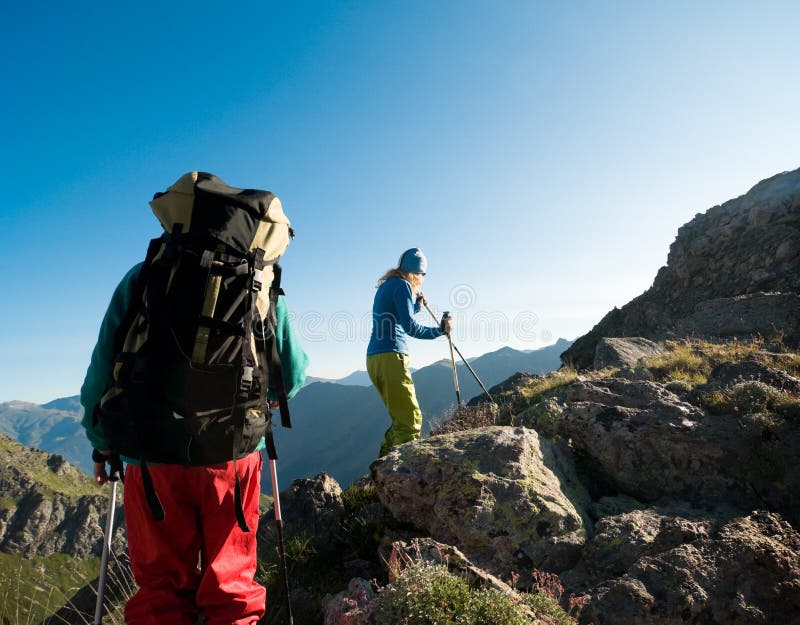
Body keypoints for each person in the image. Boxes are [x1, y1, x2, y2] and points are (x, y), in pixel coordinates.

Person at [80, 194, 308, 625]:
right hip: (232, 456)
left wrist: (102, 444)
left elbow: (102, 372)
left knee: (162, 592)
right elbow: (292, 375)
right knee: (231, 589)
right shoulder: (260, 282)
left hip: (152, 455)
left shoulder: (145, 275)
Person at [367, 248, 452, 457]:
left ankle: (382, 467)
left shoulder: (388, 285)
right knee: (411, 421)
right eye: (422, 276)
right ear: (417, 273)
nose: (421, 281)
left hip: (375, 359)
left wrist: (417, 305)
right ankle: (402, 471)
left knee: (400, 421)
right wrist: (440, 331)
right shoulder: (403, 285)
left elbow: (400, 313)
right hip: (392, 356)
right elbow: (410, 327)